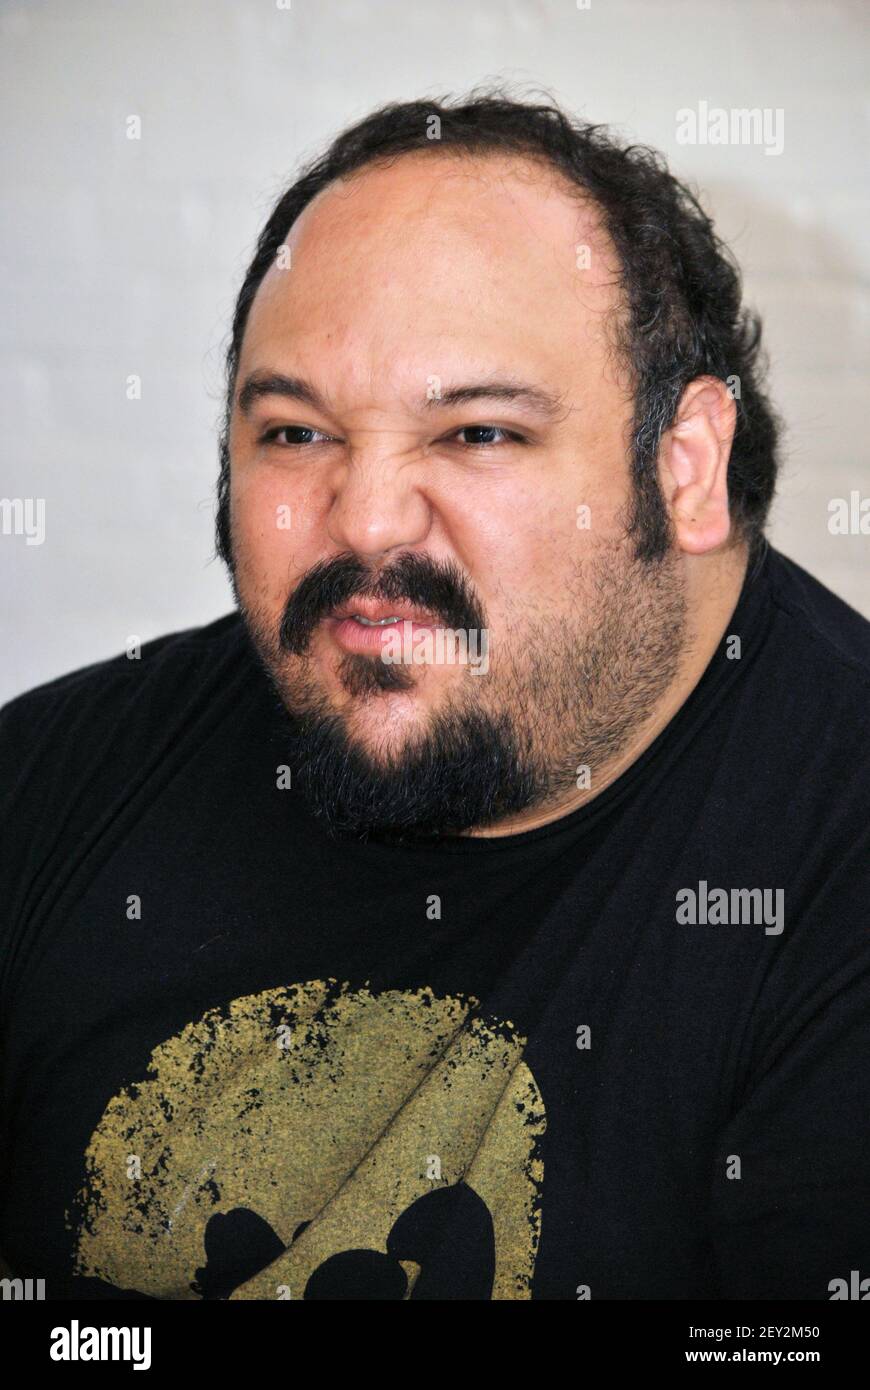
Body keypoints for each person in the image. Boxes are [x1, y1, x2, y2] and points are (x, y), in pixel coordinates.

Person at [1, 91, 867, 1301]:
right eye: (296, 433)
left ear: (685, 468)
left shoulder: (834, 869)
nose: (364, 520)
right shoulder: (52, 779)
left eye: (477, 434)